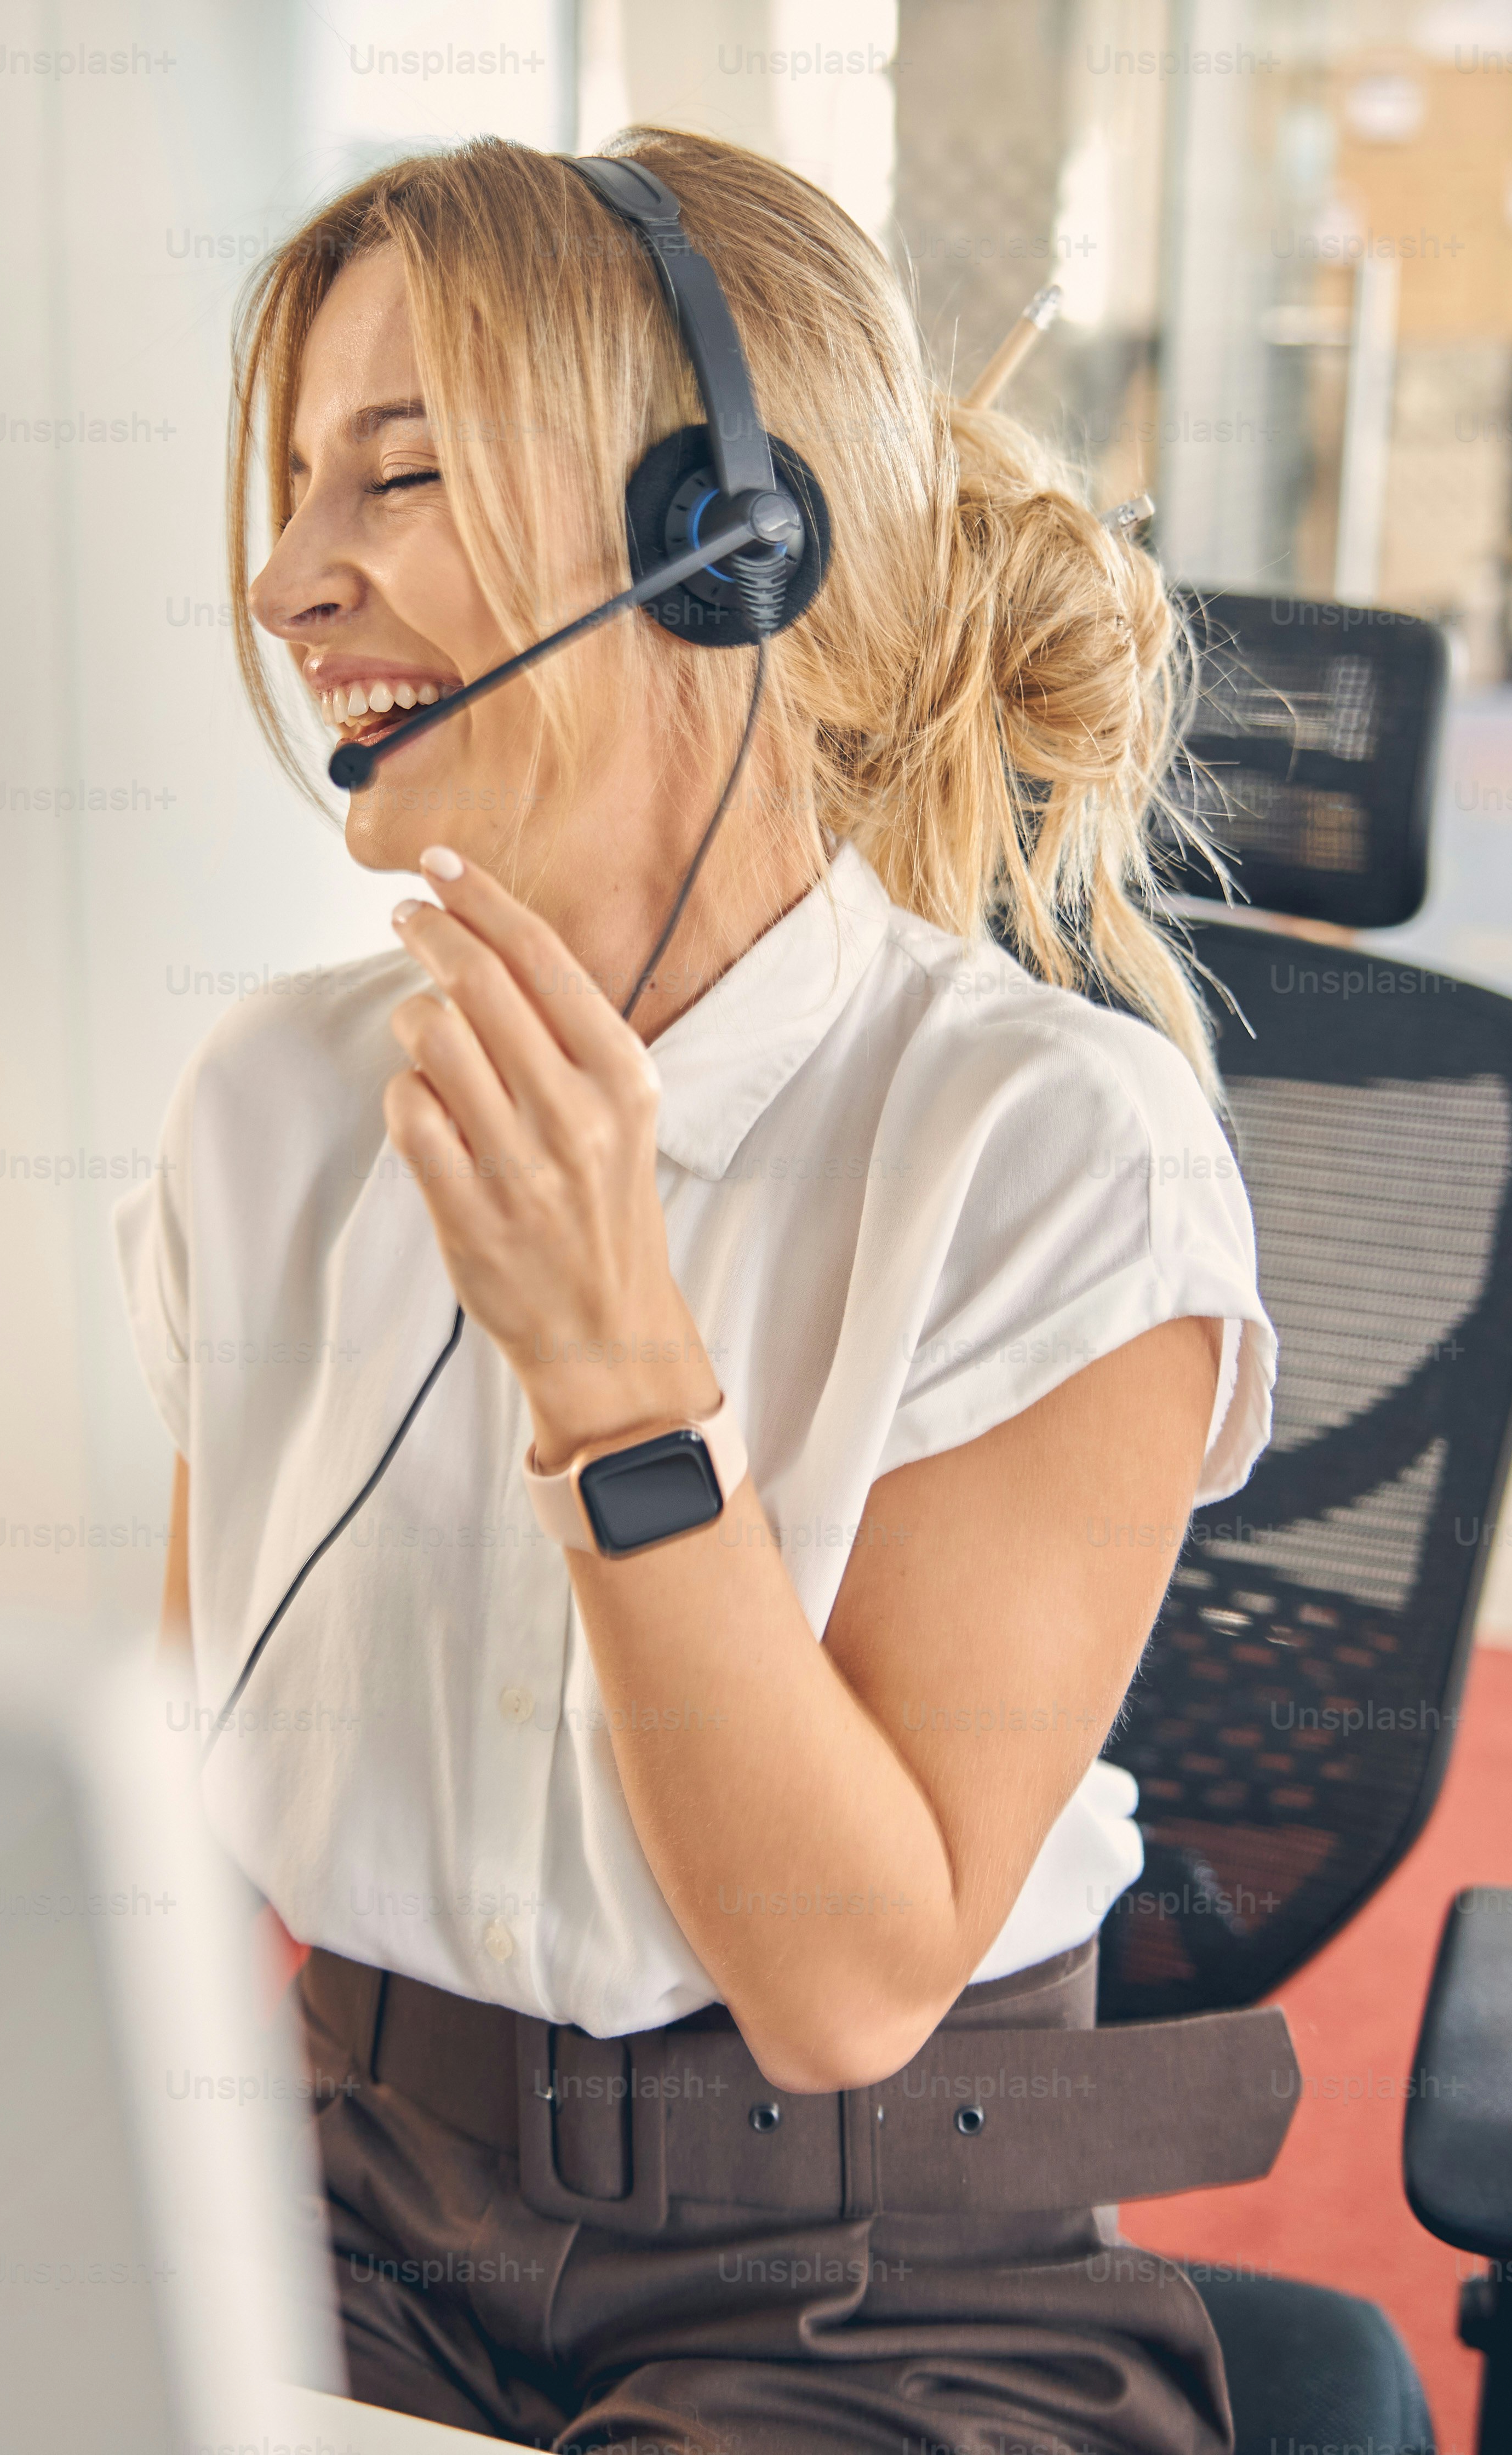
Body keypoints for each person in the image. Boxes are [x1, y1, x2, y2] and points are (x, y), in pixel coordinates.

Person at [114, 127, 1281, 2454]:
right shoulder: (275, 1102)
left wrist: (611, 1371)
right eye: (299, 486)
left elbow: (847, 1984)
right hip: (352, 2202)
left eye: (399, 477)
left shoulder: (1050, 1151)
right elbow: (160, 1776)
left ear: (719, 545)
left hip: (877, 2271)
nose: (288, 579)